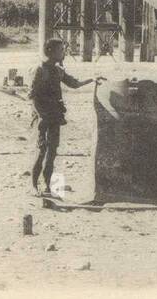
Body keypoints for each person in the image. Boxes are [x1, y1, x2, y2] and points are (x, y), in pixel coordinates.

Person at [29, 38, 103, 197]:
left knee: (52, 152)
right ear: (50, 52)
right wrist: (40, 116)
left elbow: (74, 83)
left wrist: (92, 79)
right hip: (42, 116)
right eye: (61, 50)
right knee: (41, 150)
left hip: (55, 115)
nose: (64, 53)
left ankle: (47, 185)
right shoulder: (39, 70)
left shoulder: (57, 70)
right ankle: (34, 186)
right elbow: (32, 96)